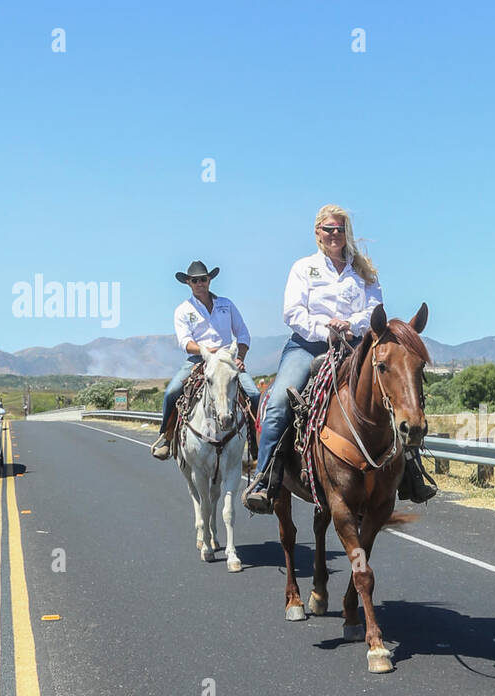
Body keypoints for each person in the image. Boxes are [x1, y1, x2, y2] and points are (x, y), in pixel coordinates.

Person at [243, 205, 435, 513]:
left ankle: (412, 473)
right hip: (307, 346)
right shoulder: (303, 268)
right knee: (279, 399)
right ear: (318, 232)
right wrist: (324, 328)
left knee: (390, 394)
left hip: (355, 347)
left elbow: (375, 310)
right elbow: (292, 312)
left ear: (347, 234)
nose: (335, 235)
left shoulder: (364, 272)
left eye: (340, 229)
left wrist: (351, 324)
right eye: (329, 229)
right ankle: (266, 478)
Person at [151, 260, 261, 461]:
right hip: (198, 359)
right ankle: (167, 438)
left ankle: (255, 443)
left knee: (254, 394)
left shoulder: (226, 304)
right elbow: (185, 342)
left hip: (227, 361)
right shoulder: (183, 310)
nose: (200, 283)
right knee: (172, 391)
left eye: (203, 279)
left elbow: (243, 334)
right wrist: (210, 351)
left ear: (209, 280)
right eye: (195, 280)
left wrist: (240, 358)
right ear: (188, 283)